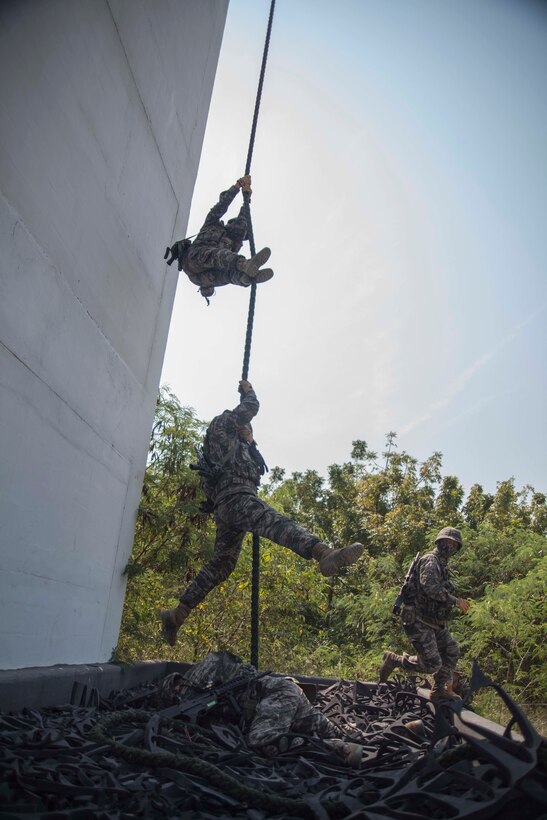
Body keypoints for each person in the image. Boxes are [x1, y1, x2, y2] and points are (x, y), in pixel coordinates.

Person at [161, 380, 364, 645]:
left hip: (229, 505)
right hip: (236, 498)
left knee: (223, 563)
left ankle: (178, 614)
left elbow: (253, 467)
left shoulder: (237, 448)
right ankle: (323, 552)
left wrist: (250, 442)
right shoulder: (222, 424)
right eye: (243, 428)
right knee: (273, 521)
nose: (245, 429)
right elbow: (251, 407)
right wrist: (248, 391)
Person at [162, 650, 364, 766]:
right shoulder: (210, 693)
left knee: (261, 741)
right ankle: (348, 736)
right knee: (320, 725)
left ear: (178, 684)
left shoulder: (200, 678)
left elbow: (187, 698)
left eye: (177, 690)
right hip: (284, 693)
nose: (179, 694)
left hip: (275, 694)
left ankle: (336, 748)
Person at [378, 527, 471, 702]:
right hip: (418, 620)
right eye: (447, 542)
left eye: (454, 544)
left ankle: (438, 690)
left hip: (434, 621)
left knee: (452, 650)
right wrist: (456, 601)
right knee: (432, 664)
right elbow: (431, 588)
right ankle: (395, 660)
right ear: (439, 542)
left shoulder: (442, 565)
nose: (450, 547)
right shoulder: (430, 561)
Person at [164, 175, 274, 301]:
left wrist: (247, 199)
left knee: (227, 276)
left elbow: (243, 221)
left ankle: (245, 278)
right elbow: (222, 204)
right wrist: (238, 185)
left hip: (206, 274)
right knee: (218, 256)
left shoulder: (234, 240)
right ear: (228, 223)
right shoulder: (212, 223)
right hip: (193, 261)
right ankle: (245, 266)